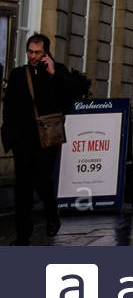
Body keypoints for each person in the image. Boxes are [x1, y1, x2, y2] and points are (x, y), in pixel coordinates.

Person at [2, 33, 79, 244]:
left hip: (47, 139)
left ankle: (52, 214)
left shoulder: (57, 72)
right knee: (23, 188)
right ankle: (22, 235)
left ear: (46, 53)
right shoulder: (19, 74)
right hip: (23, 140)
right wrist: (8, 137)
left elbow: (74, 93)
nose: (33, 56)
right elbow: (9, 106)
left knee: (43, 181)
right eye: (30, 52)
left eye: (37, 52)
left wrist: (55, 73)